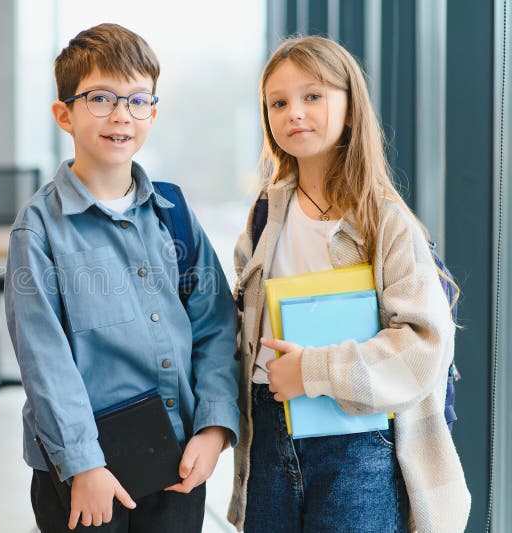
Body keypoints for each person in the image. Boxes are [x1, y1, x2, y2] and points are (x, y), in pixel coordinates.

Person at [226, 36, 470, 533]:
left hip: (360, 440)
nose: (294, 113)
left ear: (351, 108)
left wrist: (311, 371)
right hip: (270, 432)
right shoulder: (263, 217)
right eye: (278, 103)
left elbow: (424, 347)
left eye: (313, 96)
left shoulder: (385, 221)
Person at [4, 23, 240, 532]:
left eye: (137, 100)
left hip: (177, 459)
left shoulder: (174, 213)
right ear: (64, 114)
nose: (120, 115)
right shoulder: (39, 228)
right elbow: (45, 359)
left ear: (152, 112)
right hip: (84, 471)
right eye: (100, 98)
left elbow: (215, 325)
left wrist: (214, 428)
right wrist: (83, 464)